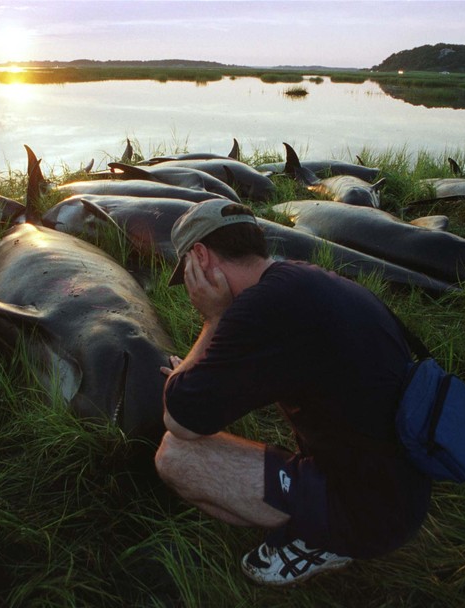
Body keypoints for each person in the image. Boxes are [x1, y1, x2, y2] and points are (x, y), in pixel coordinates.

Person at [154, 199, 431, 586]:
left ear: (200, 256)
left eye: (186, 270)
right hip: (400, 486)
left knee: (175, 456)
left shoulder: (261, 310)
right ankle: (320, 506)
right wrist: (199, 372)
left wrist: (213, 320)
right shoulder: (301, 281)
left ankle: (326, 539)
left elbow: (179, 419)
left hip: (371, 512)